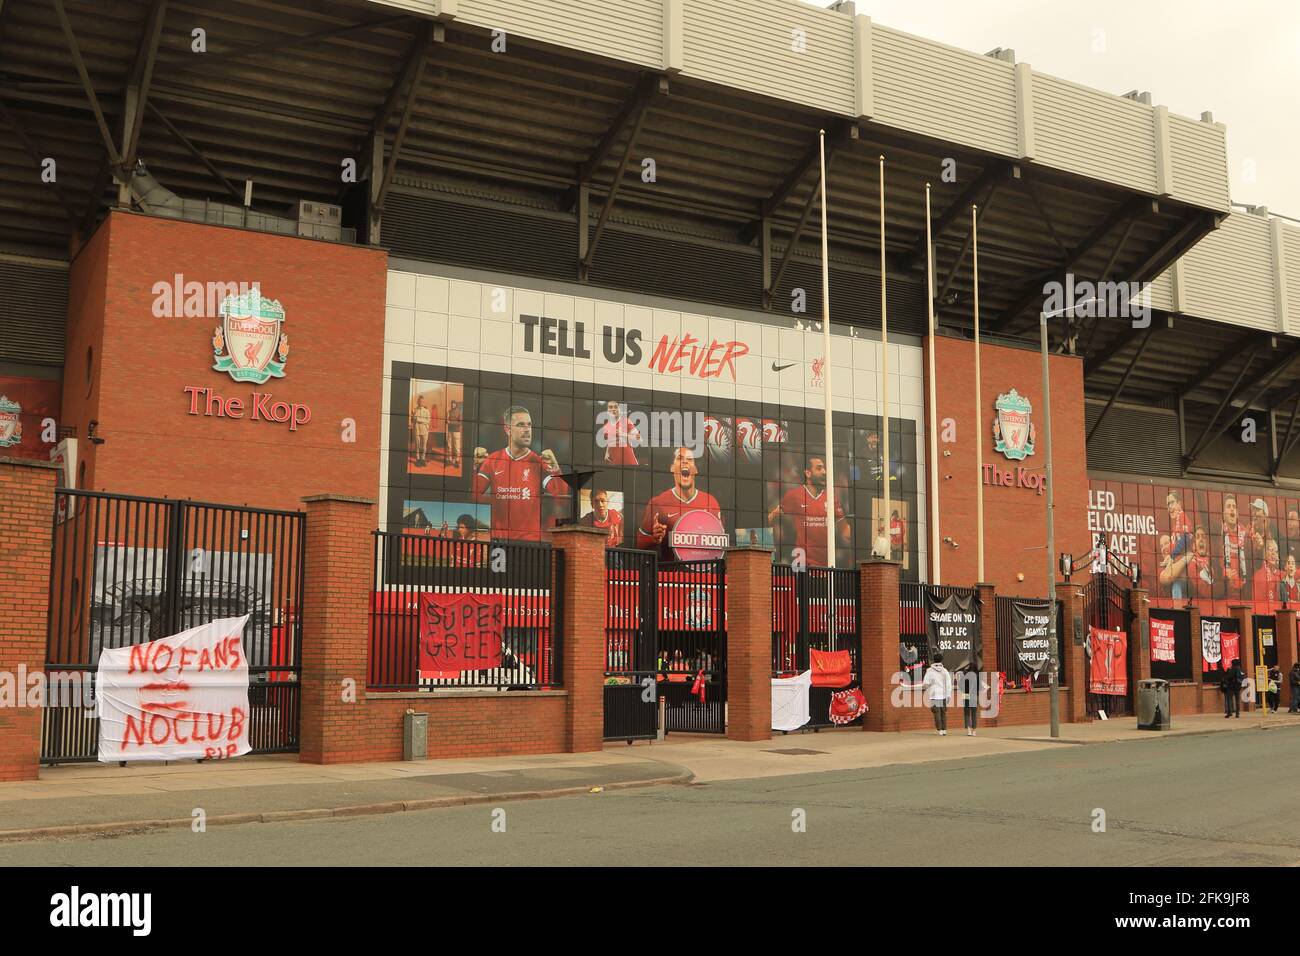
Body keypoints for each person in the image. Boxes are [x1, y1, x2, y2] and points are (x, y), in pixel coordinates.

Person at [473, 405, 570, 541]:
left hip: (529, 541)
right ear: (508, 429)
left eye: (529, 425)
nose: (527, 430)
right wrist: (475, 467)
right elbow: (474, 497)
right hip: (499, 541)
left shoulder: (537, 462)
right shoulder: (492, 460)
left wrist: (555, 468)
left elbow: (561, 500)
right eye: (521, 425)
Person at [636, 447, 723, 556]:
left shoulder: (711, 502)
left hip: (703, 570)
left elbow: (721, 544)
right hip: (671, 571)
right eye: (680, 458)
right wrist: (654, 538)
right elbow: (639, 544)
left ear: (695, 469)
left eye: (690, 459)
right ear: (672, 468)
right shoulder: (658, 503)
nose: (685, 462)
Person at [766, 455, 849, 567]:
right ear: (808, 473)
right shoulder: (794, 495)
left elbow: (844, 529)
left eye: (824, 468)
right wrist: (763, 538)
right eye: (819, 468)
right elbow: (774, 514)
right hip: (803, 561)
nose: (824, 472)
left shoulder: (831, 497)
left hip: (827, 563)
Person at [1221, 495, 1249, 596]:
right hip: (1224, 590)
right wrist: (1224, 573)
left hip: (1244, 590)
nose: (1232, 508)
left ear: (1237, 513)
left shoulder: (1246, 533)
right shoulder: (1218, 533)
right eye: (1228, 506)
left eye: (1234, 506)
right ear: (1224, 514)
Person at [600, 400, 641, 467]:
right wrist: (606, 453)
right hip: (616, 463)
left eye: (615, 407)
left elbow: (638, 438)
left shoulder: (626, 421)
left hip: (630, 463)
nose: (613, 409)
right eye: (610, 407)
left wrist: (622, 434)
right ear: (607, 411)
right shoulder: (606, 426)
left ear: (619, 409)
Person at [922, 652, 953, 736]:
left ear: (934, 660)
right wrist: (948, 694)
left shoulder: (929, 671)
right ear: (941, 660)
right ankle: (944, 730)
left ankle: (939, 730)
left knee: (937, 713)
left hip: (934, 694)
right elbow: (948, 683)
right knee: (943, 713)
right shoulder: (945, 671)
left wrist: (927, 687)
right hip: (943, 694)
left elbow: (925, 683)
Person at [957, 669, 979, 736]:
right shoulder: (977, 677)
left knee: (967, 713)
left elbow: (960, 686)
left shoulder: (964, 677)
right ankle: (974, 731)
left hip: (966, 695)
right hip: (974, 695)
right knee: (974, 714)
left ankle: (969, 730)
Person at [410, 395, 431, 466]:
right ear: (417, 402)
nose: (421, 402)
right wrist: (412, 417)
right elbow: (412, 421)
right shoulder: (414, 410)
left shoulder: (427, 411)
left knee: (424, 446)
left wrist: (418, 419)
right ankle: (418, 459)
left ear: (424, 402)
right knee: (417, 445)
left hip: (424, 430)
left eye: (422, 401)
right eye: (419, 401)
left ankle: (423, 459)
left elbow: (428, 421)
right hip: (417, 429)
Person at [446, 400, 463, 469]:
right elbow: (447, 421)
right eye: (452, 404)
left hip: (456, 431)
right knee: (449, 446)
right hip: (450, 431)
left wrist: (450, 422)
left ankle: (457, 461)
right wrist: (446, 420)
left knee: (457, 448)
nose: (453, 405)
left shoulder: (459, 412)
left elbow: (460, 423)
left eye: (454, 404)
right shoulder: (449, 412)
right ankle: (449, 459)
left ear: (456, 404)